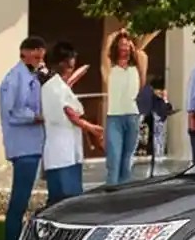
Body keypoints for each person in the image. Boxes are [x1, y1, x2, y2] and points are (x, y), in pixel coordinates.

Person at [0, 36, 46, 240]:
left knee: (25, 198)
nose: (39, 53)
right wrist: (36, 117)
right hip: (23, 146)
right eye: (34, 50)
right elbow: (12, 111)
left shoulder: (32, 76)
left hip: (34, 145)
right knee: (19, 198)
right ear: (23, 52)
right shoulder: (15, 78)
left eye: (41, 50)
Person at [41, 41, 102, 205]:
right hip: (61, 153)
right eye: (70, 66)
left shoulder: (58, 85)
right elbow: (71, 114)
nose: (71, 70)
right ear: (62, 63)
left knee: (68, 199)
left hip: (68, 151)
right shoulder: (54, 86)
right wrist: (92, 128)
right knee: (64, 202)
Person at [101, 29, 144, 185]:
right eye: (121, 45)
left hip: (133, 116)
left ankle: (124, 191)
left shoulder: (136, 66)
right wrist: (117, 33)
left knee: (127, 160)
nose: (125, 48)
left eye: (127, 45)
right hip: (115, 117)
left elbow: (141, 51)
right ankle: (111, 189)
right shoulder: (110, 68)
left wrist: (131, 36)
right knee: (114, 158)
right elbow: (105, 50)